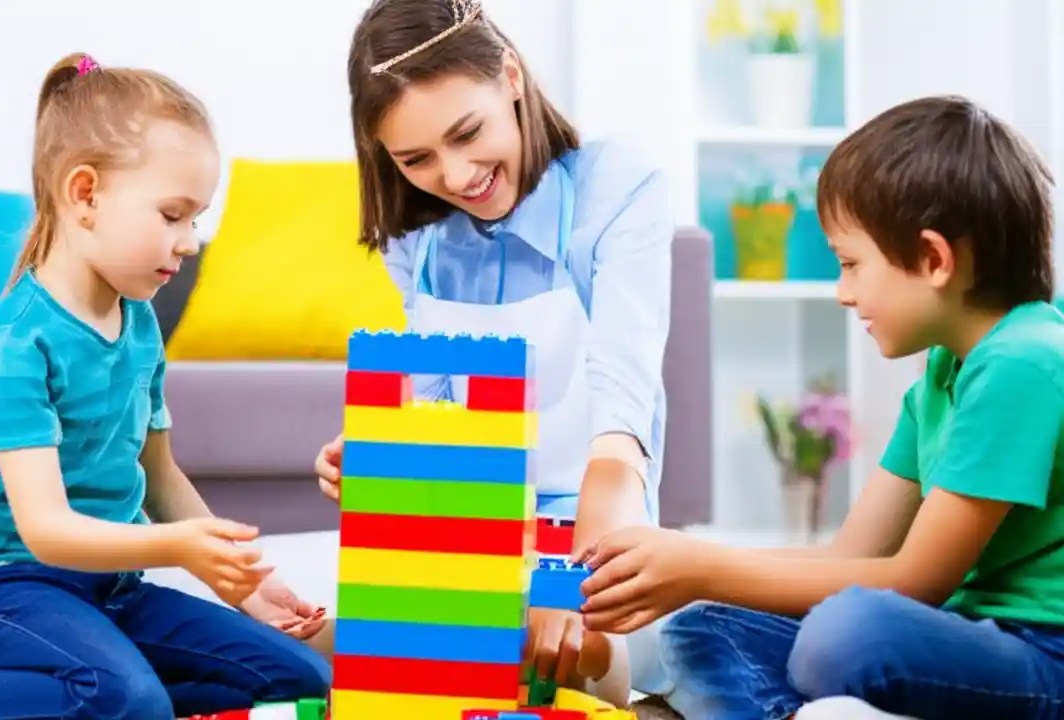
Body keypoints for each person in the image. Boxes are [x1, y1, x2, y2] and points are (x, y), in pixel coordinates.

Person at [574, 95, 1064, 720]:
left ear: (934, 259)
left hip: (1042, 656)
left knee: (847, 633)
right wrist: (684, 562)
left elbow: (918, 580)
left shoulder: (1026, 362)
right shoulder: (942, 374)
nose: (843, 292)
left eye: (852, 264)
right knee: (698, 629)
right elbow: (848, 558)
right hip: (959, 639)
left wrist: (700, 566)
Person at [0, 52, 331, 720]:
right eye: (172, 213)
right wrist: (177, 548)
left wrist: (247, 587)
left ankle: (112, 688)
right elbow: (45, 532)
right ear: (86, 194)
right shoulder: (10, 347)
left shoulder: (139, 325)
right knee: (122, 697)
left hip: (108, 588)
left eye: (196, 218)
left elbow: (158, 479)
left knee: (302, 681)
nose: (188, 242)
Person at [312, 0, 674, 705]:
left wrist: (566, 584)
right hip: (468, 527)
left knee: (585, 655)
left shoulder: (617, 186)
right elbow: (445, 413)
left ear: (510, 74)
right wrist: (386, 447)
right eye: (416, 158)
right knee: (325, 647)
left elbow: (620, 431)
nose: (455, 176)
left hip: (593, 524)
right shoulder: (413, 239)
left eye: (467, 132)